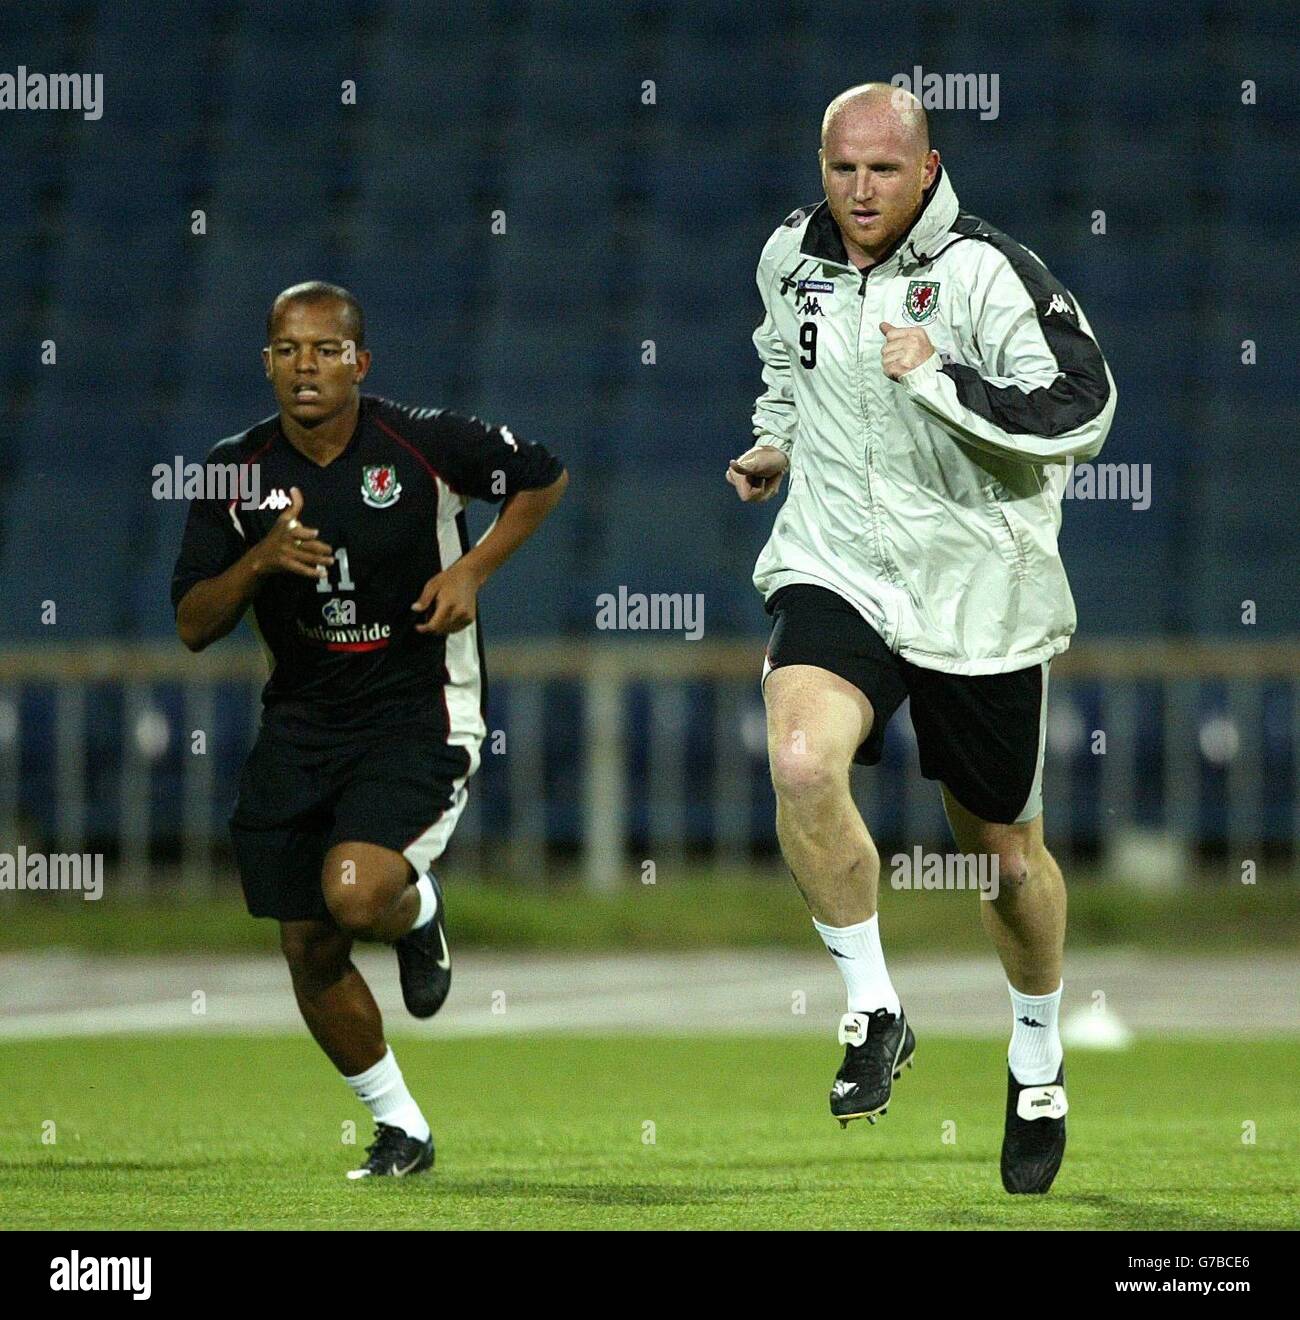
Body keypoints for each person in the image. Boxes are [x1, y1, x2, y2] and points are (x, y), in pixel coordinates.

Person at [727, 84, 1115, 1193]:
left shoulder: (991, 271)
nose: (858, 191)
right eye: (841, 168)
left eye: (882, 171)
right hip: (836, 564)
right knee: (801, 759)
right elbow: (784, 369)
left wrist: (934, 377)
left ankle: (1036, 1055)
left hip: (972, 592)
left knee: (1003, 858)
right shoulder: (788, 255)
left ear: (928, 167)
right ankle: (872, 1008)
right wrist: (772, 446)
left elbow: (1082, 412)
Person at [172, 281, 567, 1179]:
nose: (305, 367)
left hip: (415, 711)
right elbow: (194, 623)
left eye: (325, 349)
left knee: (352, 895)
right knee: (307, 943)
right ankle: (403, 1129)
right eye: (286, 350)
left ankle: (411, 906)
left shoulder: (421, 444)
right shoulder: (233, 471)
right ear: (266, 361)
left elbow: (542, 476)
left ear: (361, 361)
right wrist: (258, 560)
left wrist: (472, 568)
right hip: (303, 721)